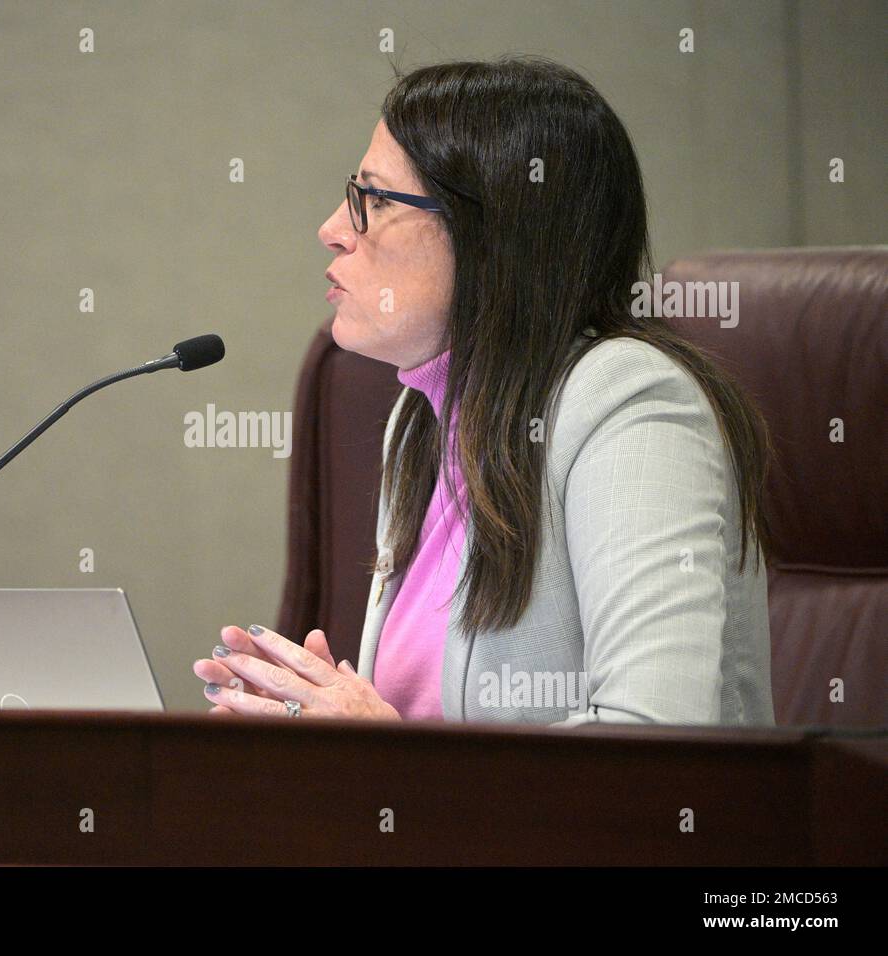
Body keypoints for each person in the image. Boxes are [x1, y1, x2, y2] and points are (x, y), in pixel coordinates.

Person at [194, 56, 775, 725]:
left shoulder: (633, 409)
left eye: (375, 200)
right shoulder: (421, 419)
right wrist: (325, 727)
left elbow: (654, 739)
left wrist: (387, 752)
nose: (332, 229)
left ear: (490, 234)